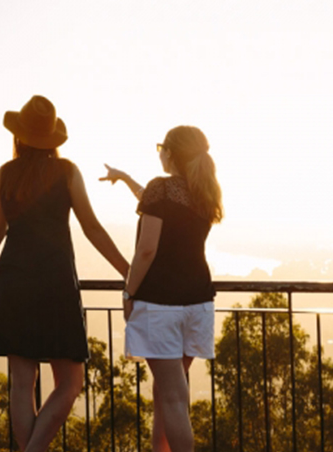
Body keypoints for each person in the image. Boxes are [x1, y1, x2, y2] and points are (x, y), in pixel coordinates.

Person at [0, 95, 130, 452]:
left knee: (22, 383)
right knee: (70, 383)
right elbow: (92, 228)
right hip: (55, 284)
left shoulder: (6, 173)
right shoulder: (67, 172)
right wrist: (128, 271)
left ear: (19, 135)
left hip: (12, 283)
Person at [101, 125, 223, 452]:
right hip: (198, 304)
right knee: (167, 392)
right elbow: (155, 201)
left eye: (160, 148)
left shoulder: (162, 189)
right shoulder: (202, 192)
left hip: (160, 306)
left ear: (169, 153)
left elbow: (146, 250)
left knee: (172, 397)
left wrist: (129, 292)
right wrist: (126, 178)